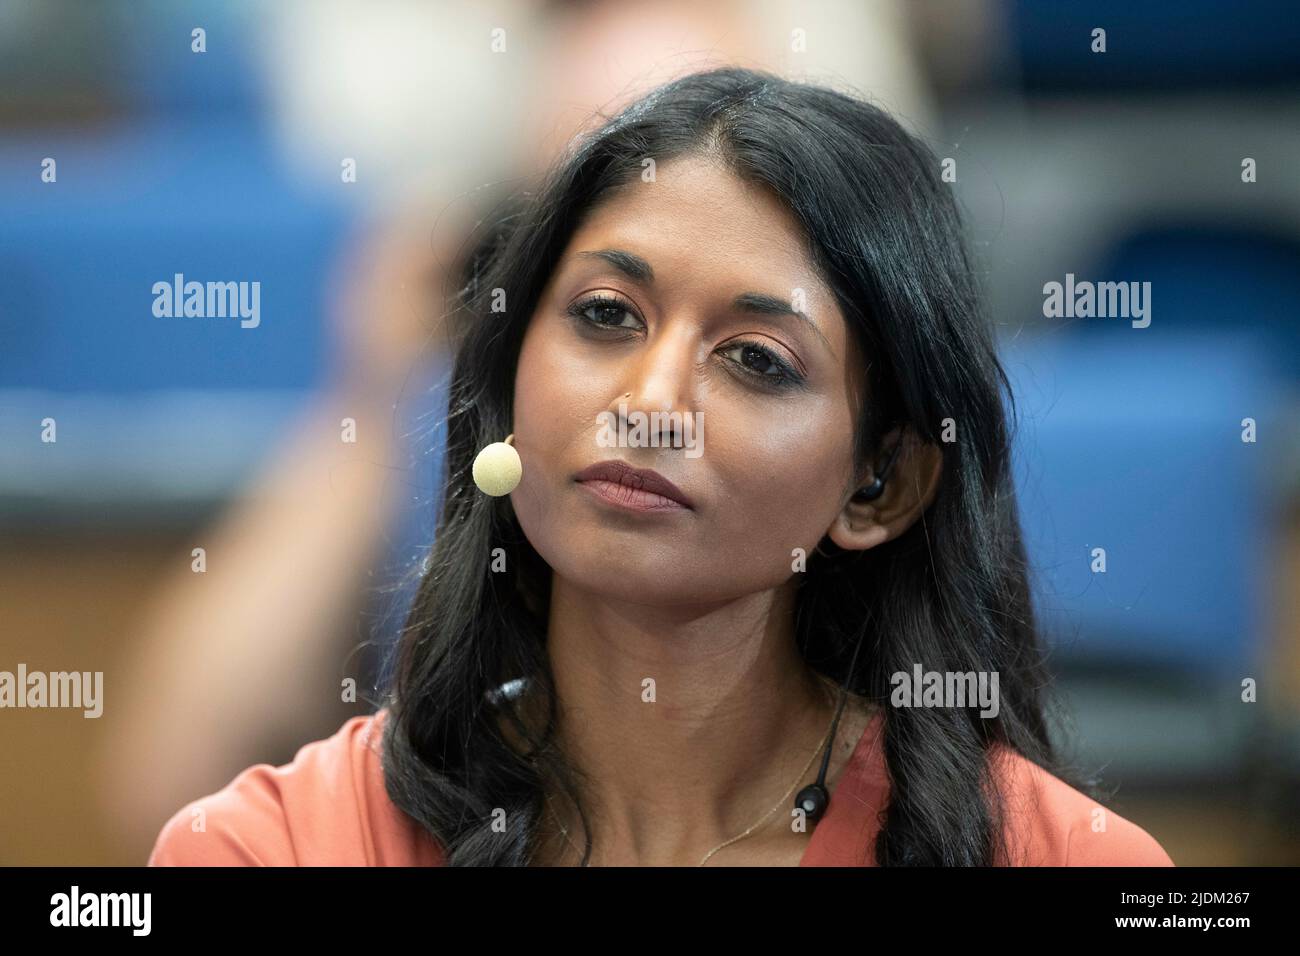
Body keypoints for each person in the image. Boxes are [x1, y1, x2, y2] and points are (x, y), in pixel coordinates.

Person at [149, 66, 1174, 867]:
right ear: (507, 385)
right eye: (606, 315)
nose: (647, 405)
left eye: (756, 361)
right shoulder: (270, 844)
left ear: (881, 483)